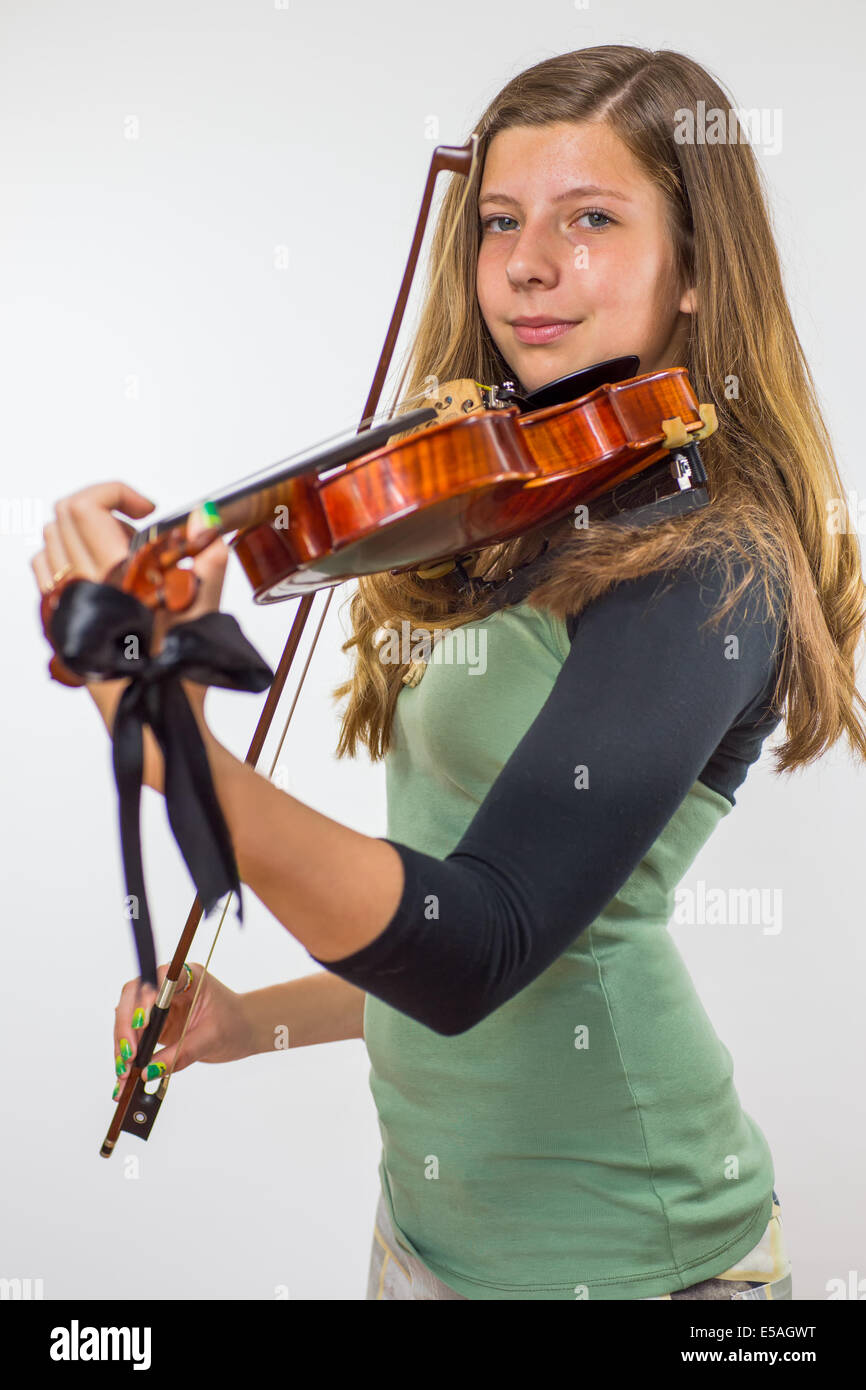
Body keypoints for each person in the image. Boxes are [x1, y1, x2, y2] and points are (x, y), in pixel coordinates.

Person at [31, 46, 866, 1300]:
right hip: (422, 1245)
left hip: (635, 1261)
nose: (527, 261)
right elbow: (432, 908)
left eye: (590, 218)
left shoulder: (711, 567)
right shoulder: (504, 504)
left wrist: (178, 757)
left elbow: (482, 943)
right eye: (498, 220)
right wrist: (253, 1021)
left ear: (694, 270)